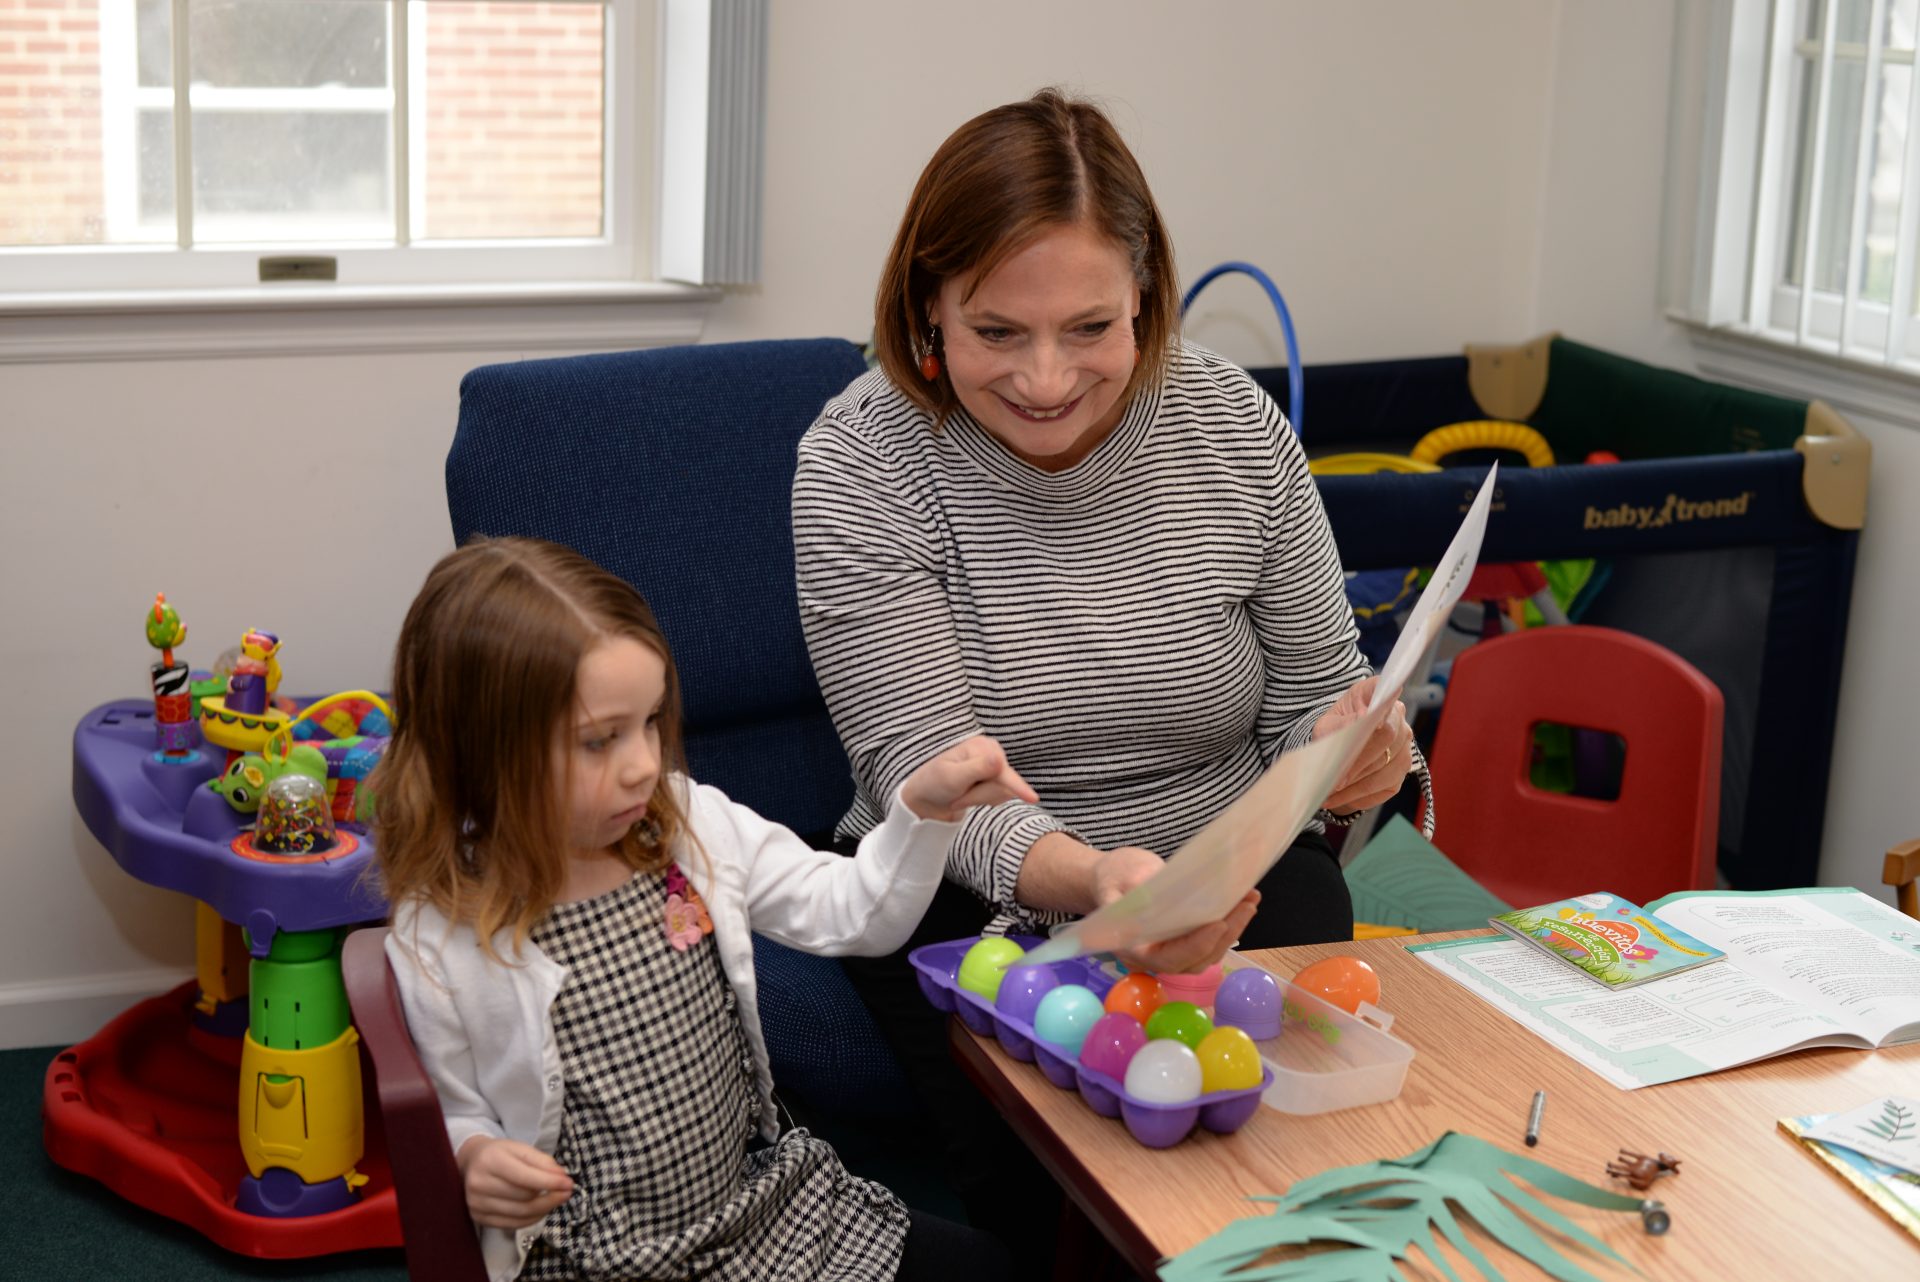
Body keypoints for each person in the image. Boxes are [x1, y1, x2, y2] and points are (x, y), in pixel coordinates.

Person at [791, 89, 1426, 1254]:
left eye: (1090, 327)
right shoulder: (858, 460)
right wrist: (1104, 890)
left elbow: (1310, 698)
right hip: (963, 889)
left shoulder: (1231, 424)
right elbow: (921, 776)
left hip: (1226, 878)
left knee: (1292, 1187)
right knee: (1075, 1220)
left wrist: (1356, 754)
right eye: (997, 332)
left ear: (1145, 294)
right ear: (928, 307)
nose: (1044, 378)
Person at [373, 537, 1038, 1282]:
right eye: (600, 741)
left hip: (758, 1211)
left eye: (650, 721)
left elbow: (851, 912)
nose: (644, 764)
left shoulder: (689, 825)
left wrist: (921, 815)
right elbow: (451, 1110)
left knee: (990, 1270)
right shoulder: (441, 933)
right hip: (597, 1260)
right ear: (480, 752)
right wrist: (476, 1157)